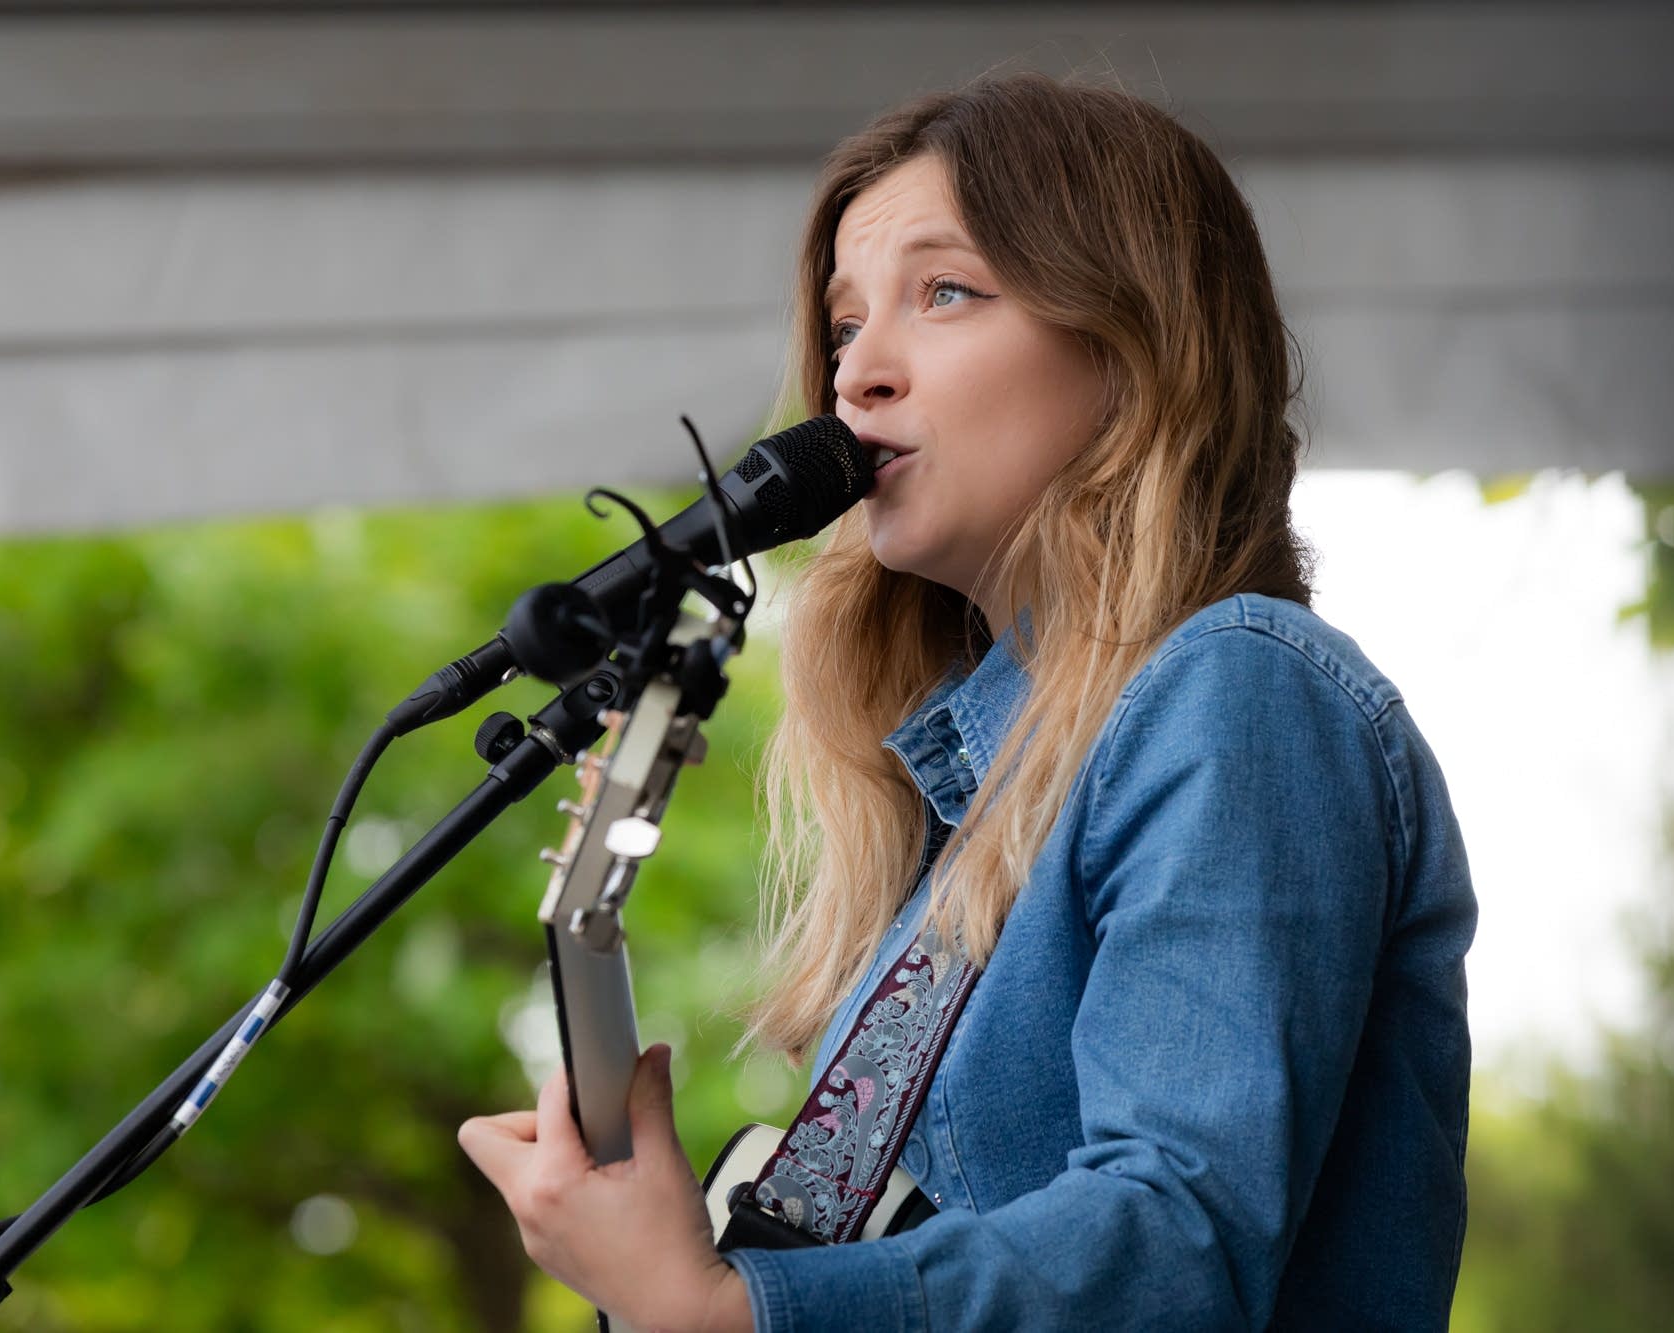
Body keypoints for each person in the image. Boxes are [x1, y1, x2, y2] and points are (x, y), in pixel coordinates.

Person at [456, 72, 1476, 1331]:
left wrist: (728, 1310)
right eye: (841, 326)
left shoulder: (1241, 683)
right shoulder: (959, 807)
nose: (858, 374)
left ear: (1138, 345)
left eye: (946, 292)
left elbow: (1179, 1243)